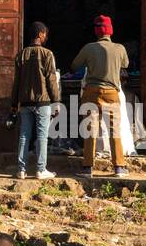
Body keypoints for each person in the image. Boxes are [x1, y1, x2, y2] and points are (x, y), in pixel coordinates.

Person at [72, 15, 130, 178]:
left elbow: (75, 65)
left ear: (96, 31)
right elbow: (125, 65)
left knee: (90, 130)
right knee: (114, 130)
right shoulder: (120, 48)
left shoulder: (88, 48)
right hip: (112, 93)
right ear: (110, 31)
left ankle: (87, 168)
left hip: (91, 92)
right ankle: (119, 167)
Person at [11, 21, 60, 180]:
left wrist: (14, 104)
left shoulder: (21, 55)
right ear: (40, 34)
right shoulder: (47, 54)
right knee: (42, 136)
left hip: (25, 103)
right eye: (45, 34)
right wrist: (56, 102)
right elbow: (51, 80)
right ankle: (40, 169)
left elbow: (16, 82)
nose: (46, 37)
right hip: (42, 102)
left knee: (24, 135)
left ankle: (21, 170)